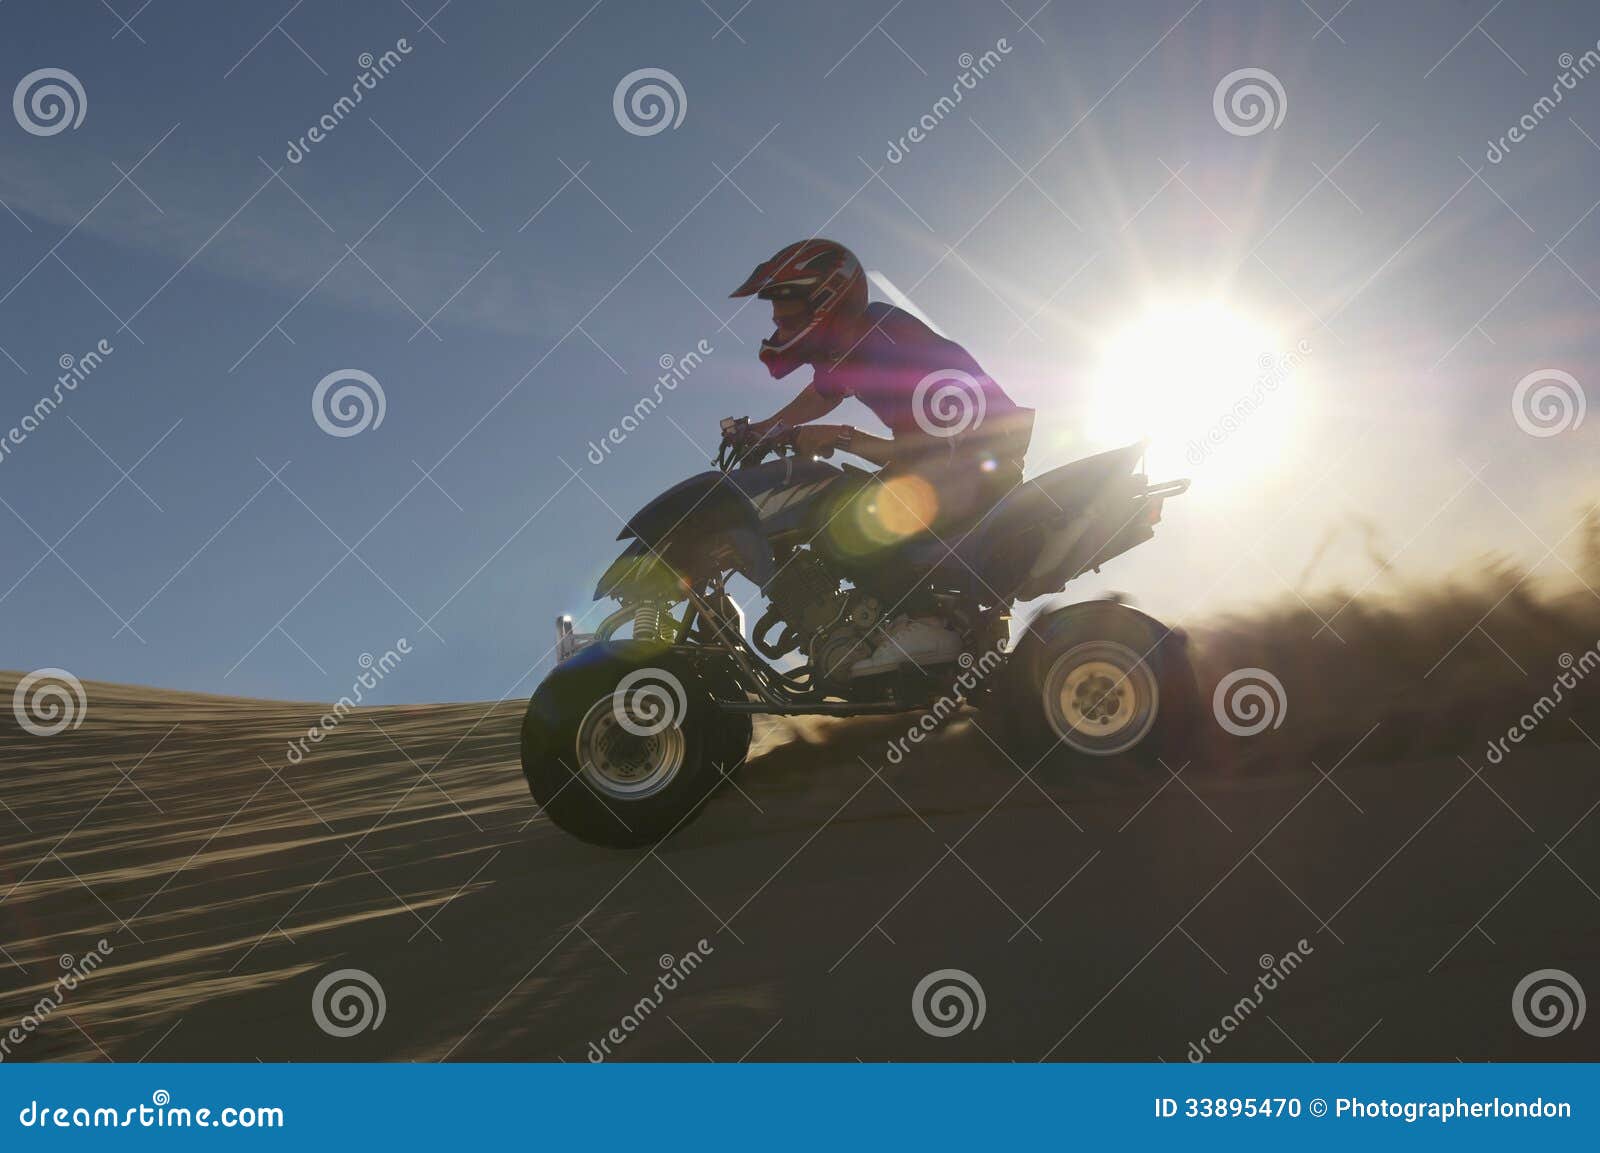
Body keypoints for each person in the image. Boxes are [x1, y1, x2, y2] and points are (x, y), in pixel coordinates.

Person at [728, 238, 1033, 674]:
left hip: (976, 472)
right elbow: (822, 394)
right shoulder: (861, 343)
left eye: (787, 304)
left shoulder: (886, 340)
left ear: (826, 297)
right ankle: (881, 627)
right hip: (956, 469)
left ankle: (926, 625)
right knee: (847, 497)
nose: (777, 317)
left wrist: (841, 437)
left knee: (842, 509)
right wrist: (765, 430)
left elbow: (930, 450)